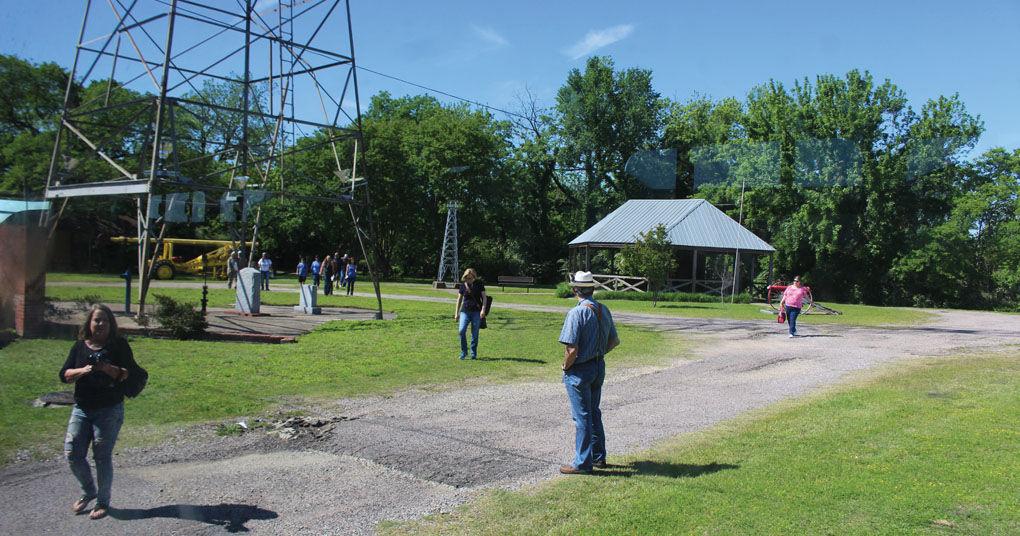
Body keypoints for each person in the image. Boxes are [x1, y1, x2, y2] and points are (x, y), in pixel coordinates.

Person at [59, 304, 143, 520]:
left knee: (101, 456)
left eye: (105, 320)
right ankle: (88, 491)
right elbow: (65, 374)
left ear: (111, 324)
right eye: (96, 320)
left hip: (109, 409)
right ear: (89, 323)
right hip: (82, 408)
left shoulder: (118, 346)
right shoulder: (79, 347)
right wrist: (84, 370)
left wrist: (107, 368)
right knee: (72, 453)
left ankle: (103, 502)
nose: (100, 324)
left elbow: (128, 374)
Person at [558, 271, 619, 475]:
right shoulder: (603, 309)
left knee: (582, 416)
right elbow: (614, 341)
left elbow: (572, 349)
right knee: (594, 412)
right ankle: (598, 457)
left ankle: (582, 463)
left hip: (580, 370)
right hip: (598, 366)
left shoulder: (576, 313)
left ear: (576, 289)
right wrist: (598, 353)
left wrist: (566, 367)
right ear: (591, 288)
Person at [453, 268, 487, 359]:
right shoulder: (463, 286)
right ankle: (464, 352)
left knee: (475, 333)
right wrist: (456, 313)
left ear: (474, 277)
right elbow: (459, 299)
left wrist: (483, 309)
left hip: (476, 312)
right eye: (467, 278)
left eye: (471, 278)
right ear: (465, 277)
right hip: (465, 311)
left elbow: (484, 297)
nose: (469, 280)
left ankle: (473, 352)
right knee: (461, 331)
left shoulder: (479, 284)